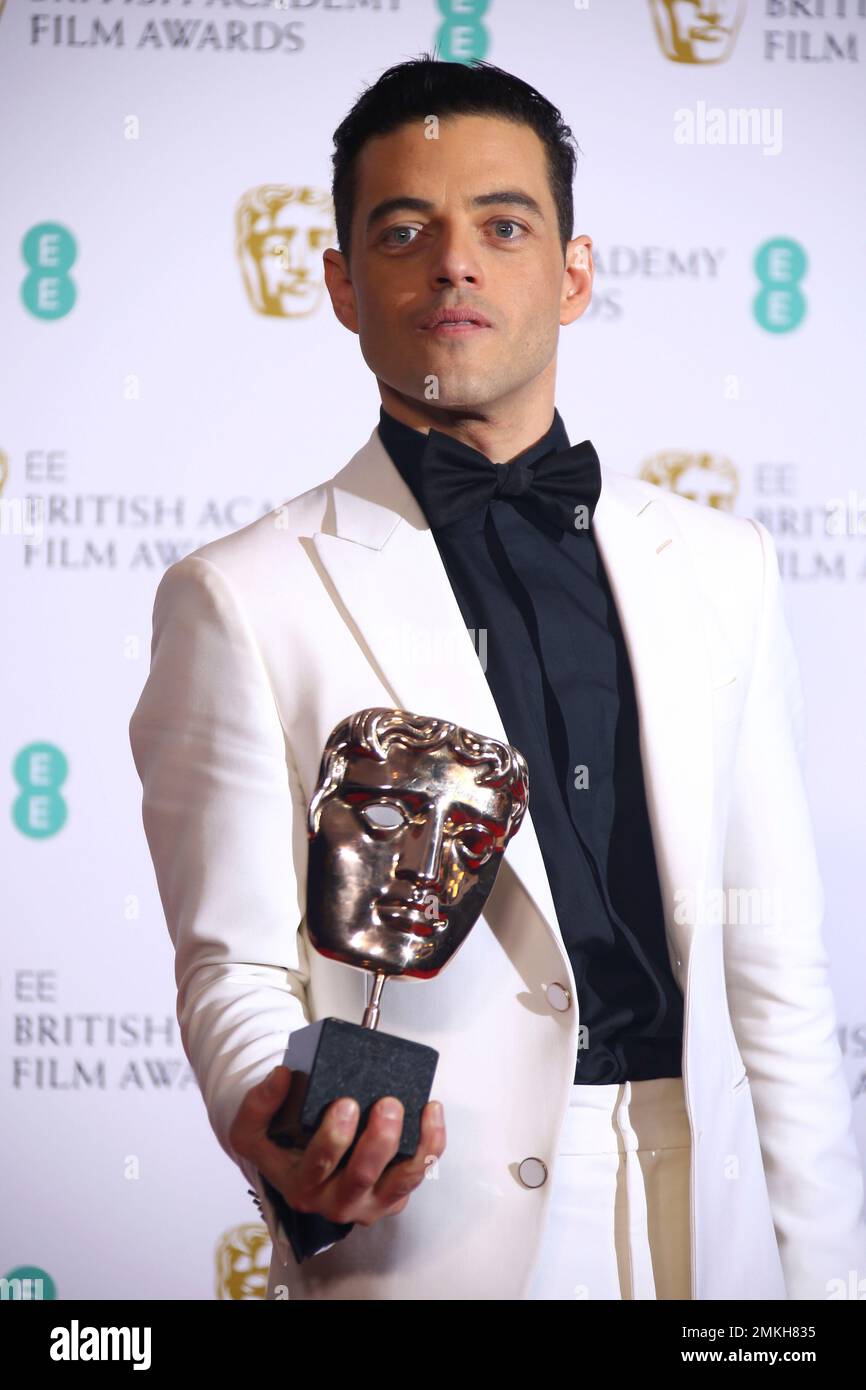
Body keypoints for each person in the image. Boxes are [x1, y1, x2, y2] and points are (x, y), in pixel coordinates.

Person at [129, 54, 866, 1300]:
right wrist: (288, 1125)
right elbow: (237, 966)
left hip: (719, 1204)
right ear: (341, 286)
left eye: (502, 225)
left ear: (572, 275)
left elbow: (774, 966)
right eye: (404, 229)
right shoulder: (237, 593)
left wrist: (828, 1274)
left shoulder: (723, 564)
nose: (454, 262)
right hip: (437, 1223)